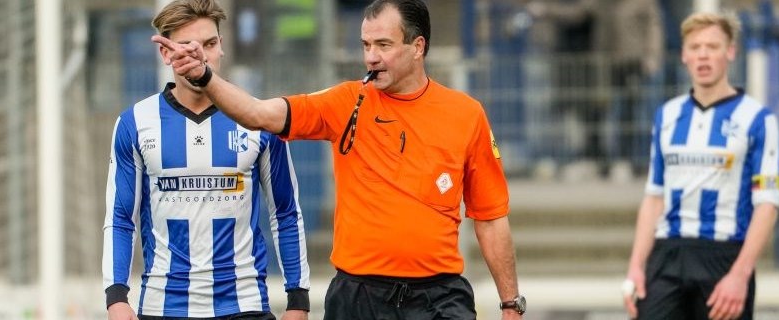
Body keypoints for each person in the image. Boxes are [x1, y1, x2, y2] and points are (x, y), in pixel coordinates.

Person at [152, 0, 524, 318]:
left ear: (418, 47)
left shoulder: (466, 114)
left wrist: (511, 302)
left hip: (439, 298)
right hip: (358, 296)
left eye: (383, 44)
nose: (370, 56)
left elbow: (490, 219)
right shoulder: (346, 102)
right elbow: (258, 114)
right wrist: (205, 77)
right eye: (365, 44)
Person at [102, 1, 310, 319]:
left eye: (210, 44)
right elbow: (121, 218)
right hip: (164, 307)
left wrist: (298, 301)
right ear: (165, 54)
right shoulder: (135, 123)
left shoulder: (259, 119)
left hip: (244, 307)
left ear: (222, 47)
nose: (201, 55)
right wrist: (116, 297)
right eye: (187, 46)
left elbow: (285, 213)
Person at [622, 12, 779, 320]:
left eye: (713, 46)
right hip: (667, 255)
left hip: (723, 256)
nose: (703, 55)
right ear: (684, 54)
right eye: (695, 47)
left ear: (731, 52)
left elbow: (767, 204)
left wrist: (740, 274)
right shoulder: (667, 115)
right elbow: (654, 197)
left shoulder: (758, 119)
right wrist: (635, 267)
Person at [526, 0, 662, 179]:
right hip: (603, 61)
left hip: (632, 60)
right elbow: (578, 13)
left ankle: (625, 160)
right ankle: (596, 160)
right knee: (596, 111)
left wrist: (652, 54)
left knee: (628, 114)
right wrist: (548, 10)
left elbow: (654, 26)